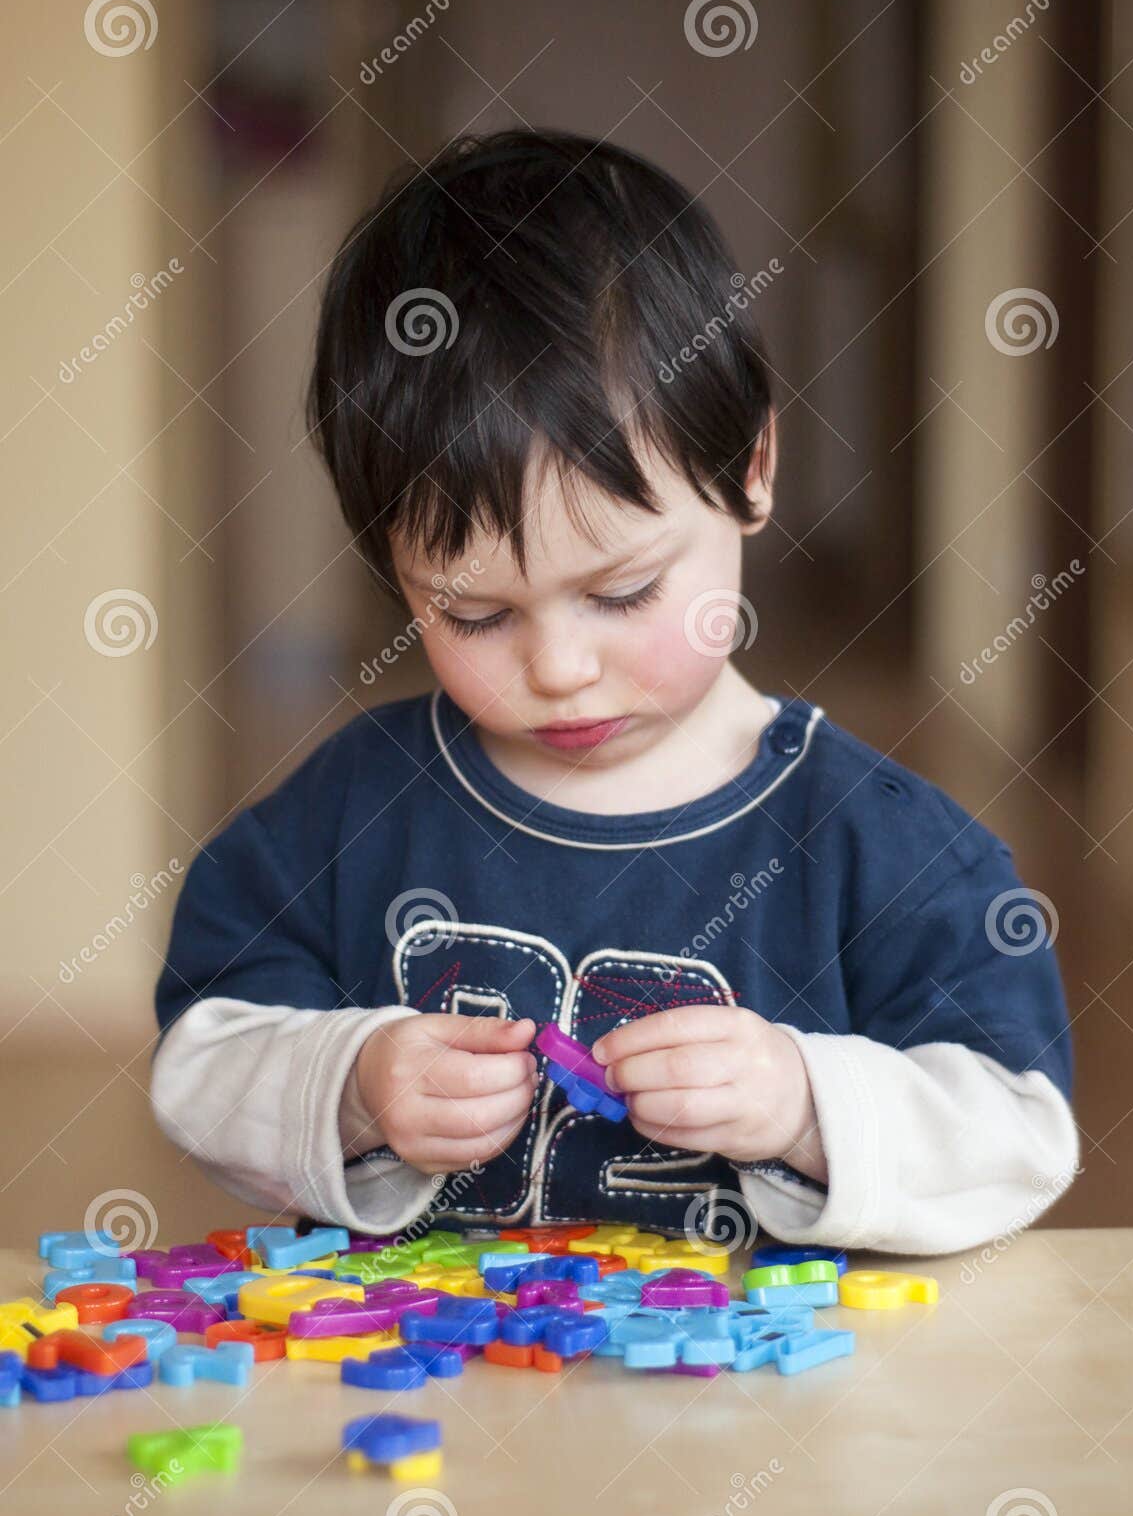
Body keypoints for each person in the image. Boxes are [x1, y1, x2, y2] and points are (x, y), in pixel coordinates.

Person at [152, 128, 1079, 1256]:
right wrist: (351, 1083)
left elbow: (1021, 1134)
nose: (558, 668)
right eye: (476, 614)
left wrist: (803, 1101)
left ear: (752, 470)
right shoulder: (356, 810)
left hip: (759, 1423)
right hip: (429, 1414)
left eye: (625, 589)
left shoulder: (884, 849)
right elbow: (203, 1048)